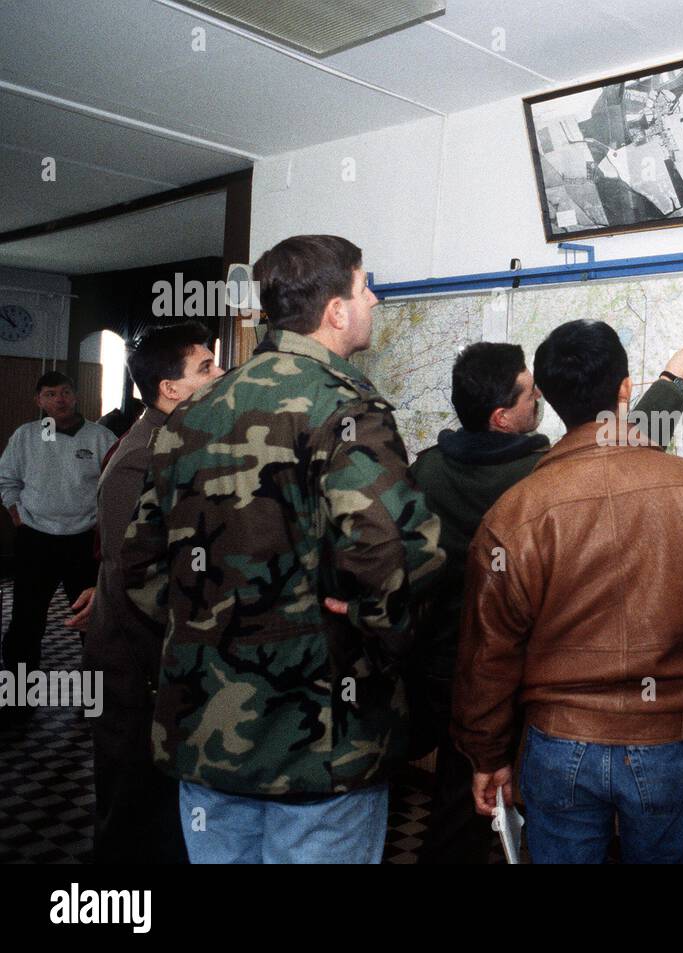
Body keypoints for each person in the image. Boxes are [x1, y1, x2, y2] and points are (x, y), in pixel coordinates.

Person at [121, 235, 444, 864]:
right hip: (321, 742)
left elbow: (139, 563)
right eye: (363, 285)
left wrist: (210, 635)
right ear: (336, 310)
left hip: (206, 731)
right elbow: (398, 558)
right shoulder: (345, 409)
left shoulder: (191, 413)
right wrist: (368, 640)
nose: (373, 298)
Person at [451, 318, 683, 864]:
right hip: (668, 738)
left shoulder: (515, 514)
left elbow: (490, 652)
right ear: (625, 388)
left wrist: (487, 753)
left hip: (558, 744)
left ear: (546, 396)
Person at [66, 322, 223, 863]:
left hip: (158, 665)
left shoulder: (180, 440)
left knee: (163, 816)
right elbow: (134, 568)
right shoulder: (142, 455)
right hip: (133, 669)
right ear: (169, 389)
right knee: (130, 813)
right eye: (206, 367)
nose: (220, 373)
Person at [0, 371, 114, 714]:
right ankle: (19, 698)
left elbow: (114, 488)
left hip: (84, 542)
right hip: (36, 541)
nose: (59, 399)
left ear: (76, 396)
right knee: (26, 619)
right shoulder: (27, 436)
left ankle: (95, 699)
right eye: (51, 394)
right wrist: (16, 512)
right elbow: (7, 479)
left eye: (65, 392)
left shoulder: (100, 437)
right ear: (40, 401)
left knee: (92, 621)